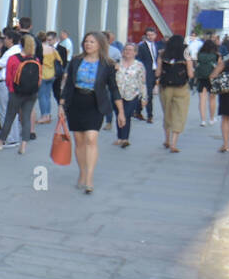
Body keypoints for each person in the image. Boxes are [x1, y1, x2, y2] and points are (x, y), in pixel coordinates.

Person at [60, 32, 123, 194]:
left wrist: (120, 111)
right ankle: (82, 172)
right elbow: (68, 86)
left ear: (100, 44)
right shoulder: (76, 61)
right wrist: (62, 104)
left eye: (92, 42)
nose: (88, 44)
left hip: (95, 104)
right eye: (86, 41)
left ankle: (89, 177)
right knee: (79, 141)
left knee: (91, 138)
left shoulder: (107, 64)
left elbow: (114, 88)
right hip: (75, 103)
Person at [0, 34, 39, 155]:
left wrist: (12, 89)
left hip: (16, 92)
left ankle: (0, 142)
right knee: (26, 117)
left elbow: (9, 77)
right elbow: (39, 77)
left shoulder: (14, 58)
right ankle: (23, 144)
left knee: (9, 116)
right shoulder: (35, 60)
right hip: (31, 93)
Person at [156, 34, 193, 152]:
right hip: (181, 87)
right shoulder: (186, 54)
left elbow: (157, 73)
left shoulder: (163, 53)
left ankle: (166, 139)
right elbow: (191, 73)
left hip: (166, 87)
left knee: (168, 113)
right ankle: (174, 143)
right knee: (180, 114)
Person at [208, 41, 229, 155]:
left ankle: (226, 145)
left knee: (225, 118)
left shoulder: (225, 63)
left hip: (227, 93)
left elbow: (212, 76)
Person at [113, 42, 147, 148]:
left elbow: (142, 82)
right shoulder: (117, 63)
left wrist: (144, 97)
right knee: (119, 114)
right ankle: (120, 137)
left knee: (126, 115)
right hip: (117, 94)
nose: (128, 52)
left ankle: (125, 138)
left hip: (132, 94)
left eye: (130, 50)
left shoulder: (139, 66)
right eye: (126, 49)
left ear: (135, 53)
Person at [135, 27, 160, 123]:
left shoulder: (157, 46)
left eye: (152, 35)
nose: (150, 37)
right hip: (146, 72)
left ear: (155, 35)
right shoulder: (141, 46)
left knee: (146, 94)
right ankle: (150, 115)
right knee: (149, 94)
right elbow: (139, 59)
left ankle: (137, 111)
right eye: (148, 35)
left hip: (154, 71)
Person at [194, 38, 219, 126]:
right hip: (212, 78)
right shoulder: (216, 55)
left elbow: (196, 64)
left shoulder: (199, 54)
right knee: (212, 99)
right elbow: (219, 66)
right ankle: (211, 119)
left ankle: (203, 120)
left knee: (202, 99)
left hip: (201, 78)